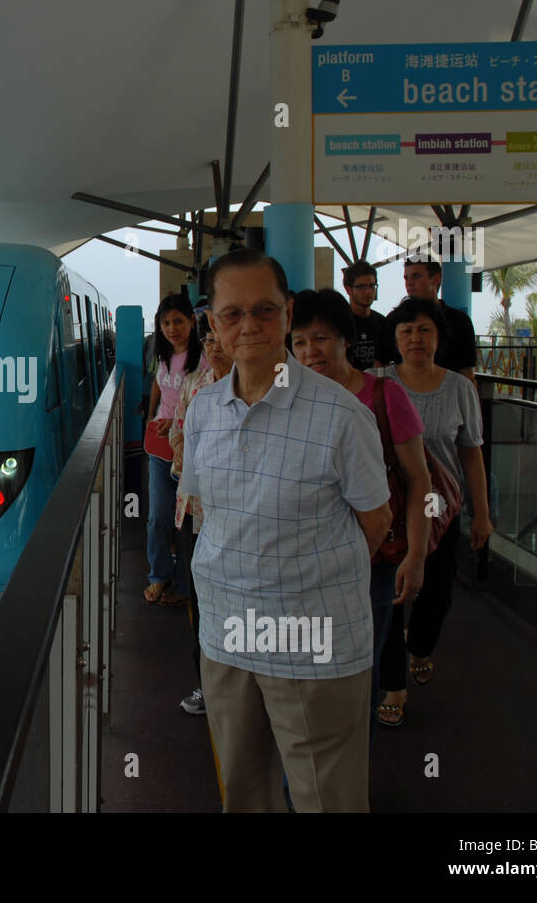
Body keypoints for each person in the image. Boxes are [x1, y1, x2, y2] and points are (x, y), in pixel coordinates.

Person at [179, 250, 391, 812]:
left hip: (313, 641)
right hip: (226, 634)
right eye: (232, 314)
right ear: (213, 324)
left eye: (265, 310)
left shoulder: (342, 417)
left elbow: (377, 523)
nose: (249, 326)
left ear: (289, 312)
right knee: (244, 792)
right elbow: (206, 509)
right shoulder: (203, 410)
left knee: (328, 797)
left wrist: (309, 577)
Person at [289, 289, 432, 723]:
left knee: (357, 673)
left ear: (345, 340)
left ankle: (349, 777)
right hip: (305, 562)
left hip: (372, 562)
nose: (310, 352)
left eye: (321, 338)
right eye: (298, 342)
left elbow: (418, 478)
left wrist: (417, 555)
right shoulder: (290, 403)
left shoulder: (385, 396)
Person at [375, 296, 493, 727]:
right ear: (395, 338)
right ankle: (393, 684)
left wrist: (482, 513)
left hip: (439, 509)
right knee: (387, 596)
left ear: (439, 337)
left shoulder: (459, 389)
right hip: (387, 510)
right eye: (406, 331)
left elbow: (471, 455)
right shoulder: (377, 383)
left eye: (424, 330)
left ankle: (420, 646)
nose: (415, 338)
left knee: (436, 595)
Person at [169, 315, 232, 715]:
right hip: (194, 513)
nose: (212, 346)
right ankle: (207, 686)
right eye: (208, 339)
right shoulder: (195, 385)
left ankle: (238, 690)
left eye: (217, 338)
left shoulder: (257, 388)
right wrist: (179, 448)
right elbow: (178, 428)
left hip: (235, 519)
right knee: (201, 600)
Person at [144, 293, 203, 605]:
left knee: (186, 520)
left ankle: (183, 586)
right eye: (166, 322)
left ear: (192, 321)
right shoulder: (163, 353)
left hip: (190, 451)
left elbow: (206, 403)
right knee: (158, 516)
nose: (172, 328)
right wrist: (153, 414)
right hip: (160, 446)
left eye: (178, 321)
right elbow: (158, 384)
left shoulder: (204, 360)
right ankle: (159, 574)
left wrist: (178, 423)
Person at [399, 259, 478, 380]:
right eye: (406, 278)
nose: (409, 283)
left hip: (448, 395)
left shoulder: (460, 321)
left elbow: (466, 371)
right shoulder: (397, 320)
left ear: (435, 279)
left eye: (416, 276)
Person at [342, 261, 394, 369]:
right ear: (348, 289)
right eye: (361, 287)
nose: (368, 292)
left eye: (372, 286)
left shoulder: (382, 323)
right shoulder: (339, 322)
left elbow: (384, 361)